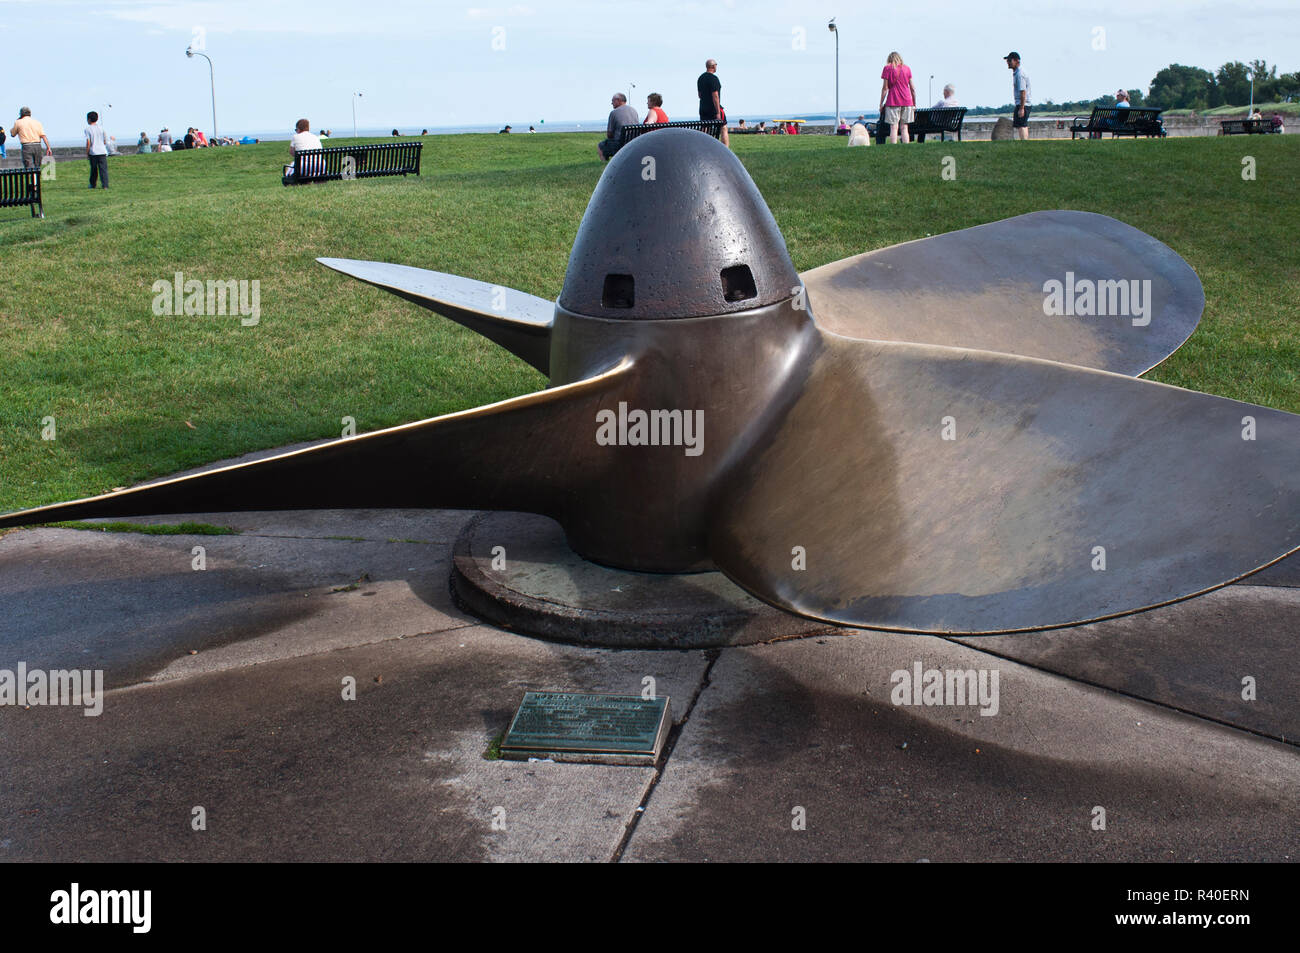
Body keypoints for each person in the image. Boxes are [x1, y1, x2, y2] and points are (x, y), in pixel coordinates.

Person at [879, 51, 916, 144]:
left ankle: (894, 147)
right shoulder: (907, 69)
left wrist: (881, 103)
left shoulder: (887, 68)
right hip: (907, 101)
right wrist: (914, 103)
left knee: (893, 127)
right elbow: (912, 88)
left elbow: (885, 88)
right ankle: (906, 146)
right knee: (904, 127)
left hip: (893, 101)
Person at [596, 93, 640, 161]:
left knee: (601, 146)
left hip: (620, 145)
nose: (611, 103)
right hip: (633, 143)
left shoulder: (614, 113)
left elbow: (609, 134)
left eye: (613, 101)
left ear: (618, 100)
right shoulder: (634, 110)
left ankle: (605, 165)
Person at [697, 58, 730, 146]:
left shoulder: (701, 78)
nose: (716, 67)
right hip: (713, 108)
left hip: (703, 107)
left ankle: (702, 147)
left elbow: (699, 95)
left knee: (704, 129)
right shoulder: (714, 79)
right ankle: (725, 149)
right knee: (723, 127)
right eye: (716, 65)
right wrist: (718, 112)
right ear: (713, 66)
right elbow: (715, 96)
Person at [1005, 52, 1031, 140]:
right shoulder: (1017, 73)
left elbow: (1023, 91)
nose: (1008, 62)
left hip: (1023, 104)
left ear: (1016, 61)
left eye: (1009, 60)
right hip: (1021, 104)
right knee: (1021, 124)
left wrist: (1022, 108)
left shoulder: (1020, 74)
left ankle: (1024, 142)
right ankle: (1024, 142)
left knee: (1021, 125)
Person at [84, 110, 110, 189]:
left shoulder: (88, 129)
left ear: (89, 119)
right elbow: (105, 141)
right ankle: (105, 185)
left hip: (93, 152)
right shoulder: (102, 128)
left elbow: (88, 142)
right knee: (103, 170)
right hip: (102, 151)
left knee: (94, 170)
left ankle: (92, 184)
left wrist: (87, 153)